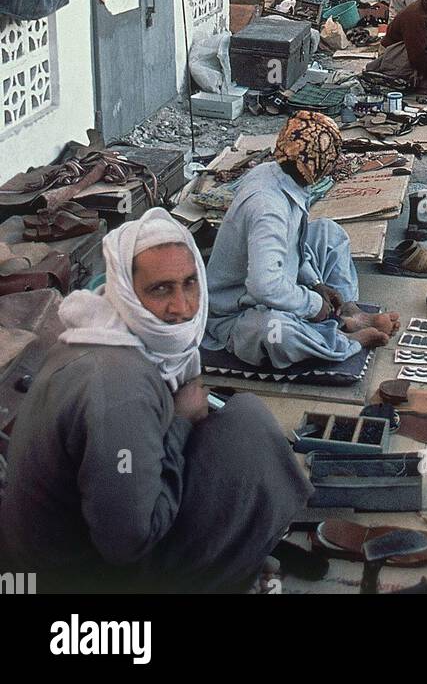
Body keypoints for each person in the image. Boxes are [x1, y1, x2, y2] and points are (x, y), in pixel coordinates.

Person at [0, 209, 311, 594]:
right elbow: (126, 542)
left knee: (233, 422)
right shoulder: (120, 388)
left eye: (190, 283)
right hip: (75, 578)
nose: (182, 307)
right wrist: (179, 422)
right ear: (126, 291)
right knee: (246, 432)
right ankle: (229, 565)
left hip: (57, 547)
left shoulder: (105, 329)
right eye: (160, 289)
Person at [205, 113, 398, 370]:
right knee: (275, 331)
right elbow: (264, 287)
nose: (333, 166)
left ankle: (349, 313)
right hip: (238, 310)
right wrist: (312, 304)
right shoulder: (268, 210)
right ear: (315, 165)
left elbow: (294, 245)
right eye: (330, 161)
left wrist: (315, 283)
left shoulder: (275, 173)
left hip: (277, 278)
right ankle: (340, 340)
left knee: (329, 233)